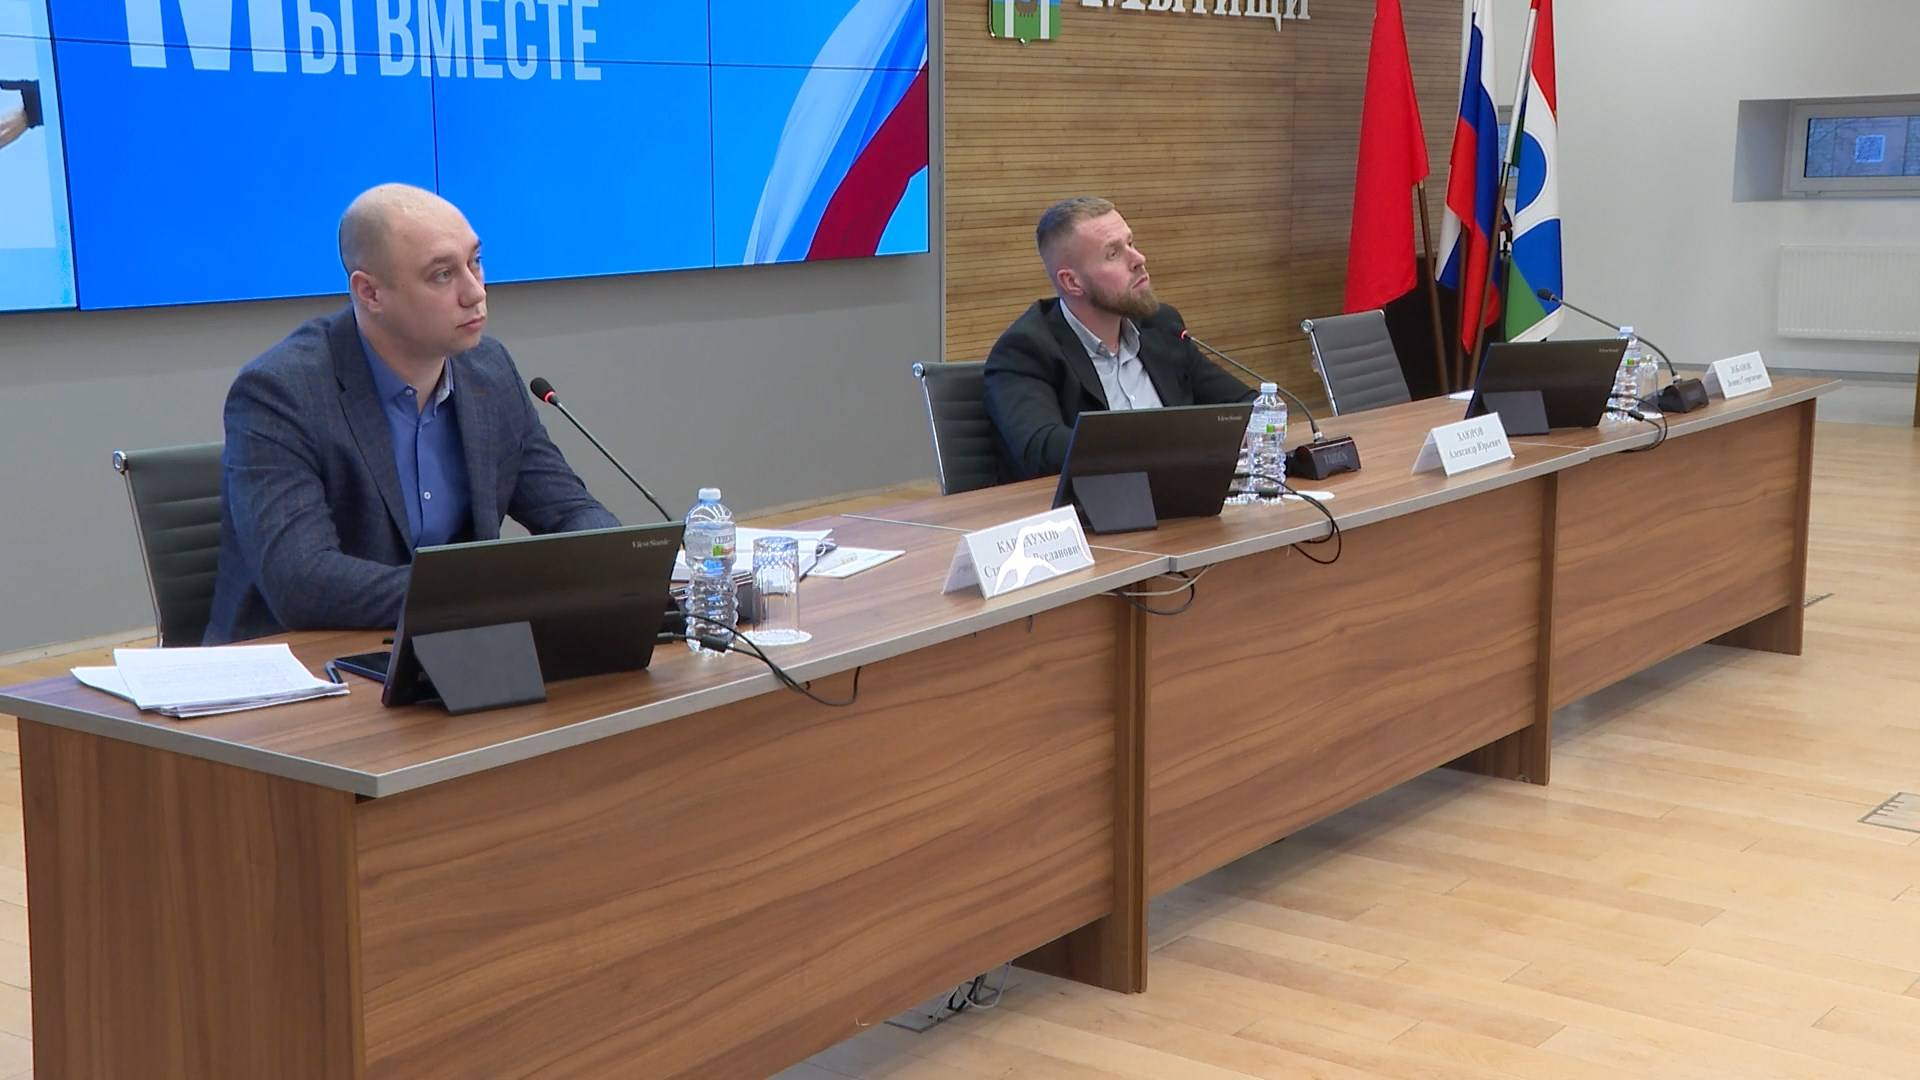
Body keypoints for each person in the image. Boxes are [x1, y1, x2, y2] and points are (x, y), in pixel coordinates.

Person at [204, 184, 619, 644]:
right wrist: (496, 594)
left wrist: (615, 563)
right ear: (370, 292)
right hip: (304, 664)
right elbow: (303, 582)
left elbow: (570, 510)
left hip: (451, 650)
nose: (475, 292)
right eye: (442, 275)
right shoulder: (281, 392)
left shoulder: (489, 372)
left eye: (475, 262)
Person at [983, 196, 1258, 480]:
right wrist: (1168, 445)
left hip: (1186, 493)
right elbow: (1042, 450)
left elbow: (1250, 405)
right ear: (1072, 282)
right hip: (1093, 503)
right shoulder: (1026, 349)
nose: (1138, 260)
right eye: (1113, 254)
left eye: (1131, 243)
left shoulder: (1160, 326)